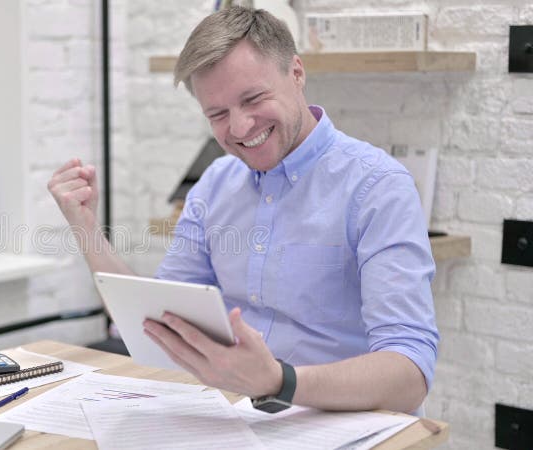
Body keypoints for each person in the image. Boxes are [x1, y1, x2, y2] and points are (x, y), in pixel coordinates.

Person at [47, 6, 438, 414]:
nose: (238, 128)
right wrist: (86, 226)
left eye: (253, 98)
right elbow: (158, 326)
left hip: (341, 426)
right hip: (236, 419)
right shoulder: (216, 183)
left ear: (297, 74)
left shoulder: (377, 186)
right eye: (217, 114)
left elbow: (409, 375)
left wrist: (279, 381)